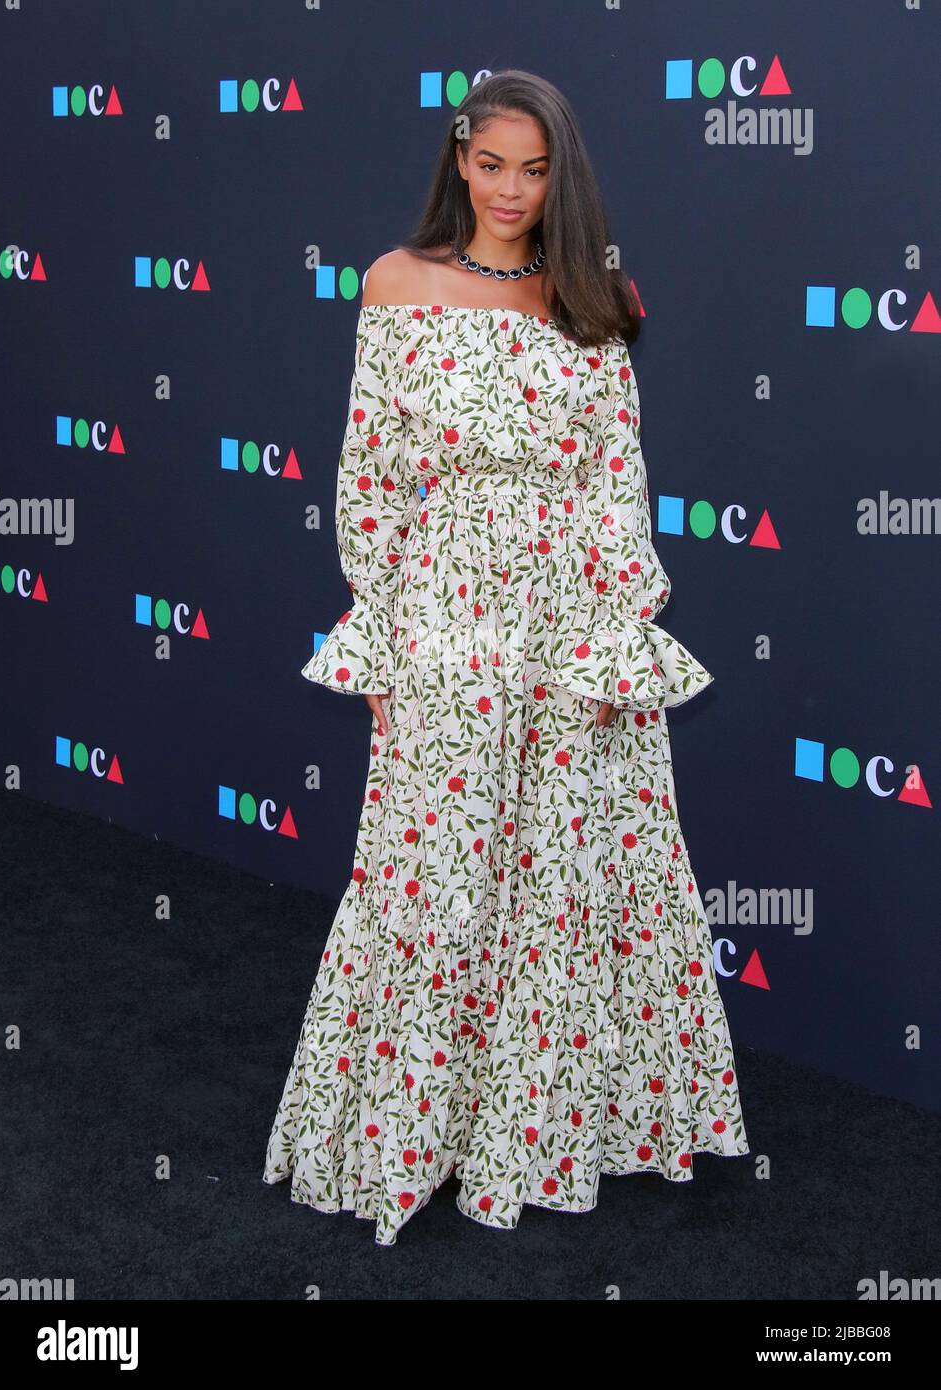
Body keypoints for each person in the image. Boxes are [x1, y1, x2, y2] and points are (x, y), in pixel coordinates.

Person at [263, 69, 749, 1246]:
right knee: (434, 873)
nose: (513, 190)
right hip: (443, 617)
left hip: (570, 620)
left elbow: (617, 484)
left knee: (571, 876)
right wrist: (384, 633)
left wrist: (613, 636)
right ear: (459, 158)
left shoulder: (594, 297)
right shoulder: (396, 282)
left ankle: (540, 1133)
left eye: (536, 170)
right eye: (492, 165)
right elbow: (369, 479)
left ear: (560, 172)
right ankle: (407, 1134)